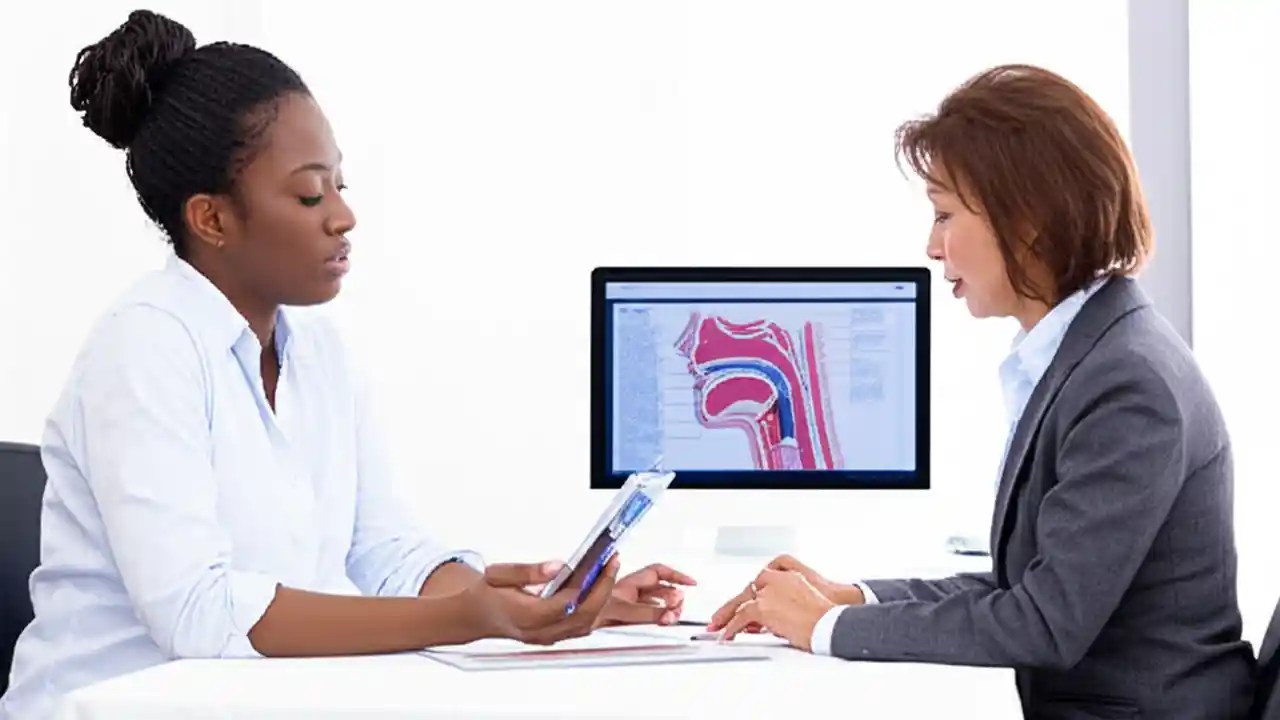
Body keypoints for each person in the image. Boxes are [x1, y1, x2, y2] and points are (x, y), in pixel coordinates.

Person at [0, 11, 693, 720]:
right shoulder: (143, 348)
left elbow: (386, 553)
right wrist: (474, 617)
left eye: (340, 184)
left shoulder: (319, 352)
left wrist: (539, 607)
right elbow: (197, 614)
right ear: (211, 220)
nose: (343, 216)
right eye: (309, 194)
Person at [709, 64, 1256, 717]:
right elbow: (1024, 587)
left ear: (1028, 219)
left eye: (944, 216)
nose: (931, 247)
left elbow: (1043, 622)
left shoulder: (1128, 384)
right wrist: (850, 598)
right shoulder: (1092, 353)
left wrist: (823, 629)